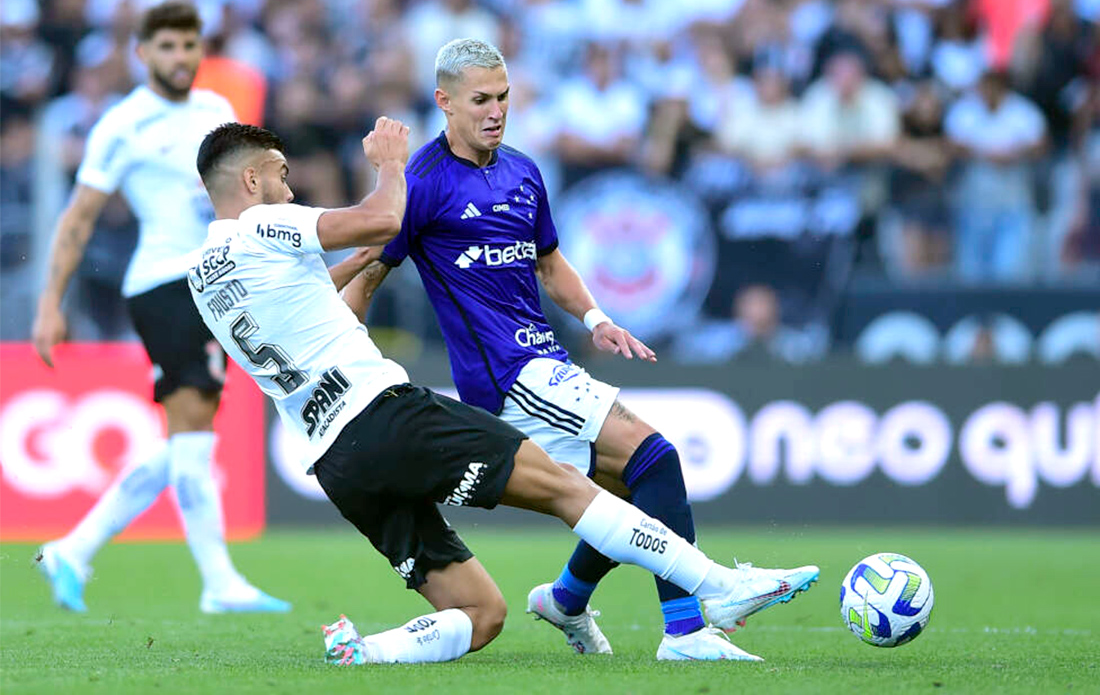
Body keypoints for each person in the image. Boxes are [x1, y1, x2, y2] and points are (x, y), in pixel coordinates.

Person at [189, 117, 819, 665]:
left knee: (481, 614)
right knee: (572, 487)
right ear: (252, 183)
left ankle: (367, 651)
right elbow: (382, 215)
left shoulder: (201, 274)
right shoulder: (263, 226)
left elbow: (311, 306)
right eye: (279, 175)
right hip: (387, 416)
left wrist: (364, 260)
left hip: (337, 462)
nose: (289, 188)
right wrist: (388, 165)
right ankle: (712, 586)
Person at [336, 38, 818, 660]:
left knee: (621, 490)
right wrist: (346, 373)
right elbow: (367, 274)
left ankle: (565, 600)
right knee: (656, 455)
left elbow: (549, 262)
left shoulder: (523, 171)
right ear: (444, 103)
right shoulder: (423, 183)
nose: (496, 111)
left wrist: (595, 317)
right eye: (480, 99)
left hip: (547, 361)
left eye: (504, 97)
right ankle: (688, 628)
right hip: (508, 374)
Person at [31, 0, 288, 614]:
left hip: (215, 280)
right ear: (142, 54)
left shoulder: (217, 111)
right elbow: (78, 219)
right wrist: (49, 303)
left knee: (186, 438)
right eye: (166, 47)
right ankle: (220, 583)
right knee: (193, 433)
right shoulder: (122, 124)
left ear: (202, 50)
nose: (180, 57)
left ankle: (75, 547)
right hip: (163, 283)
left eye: (188, 45)